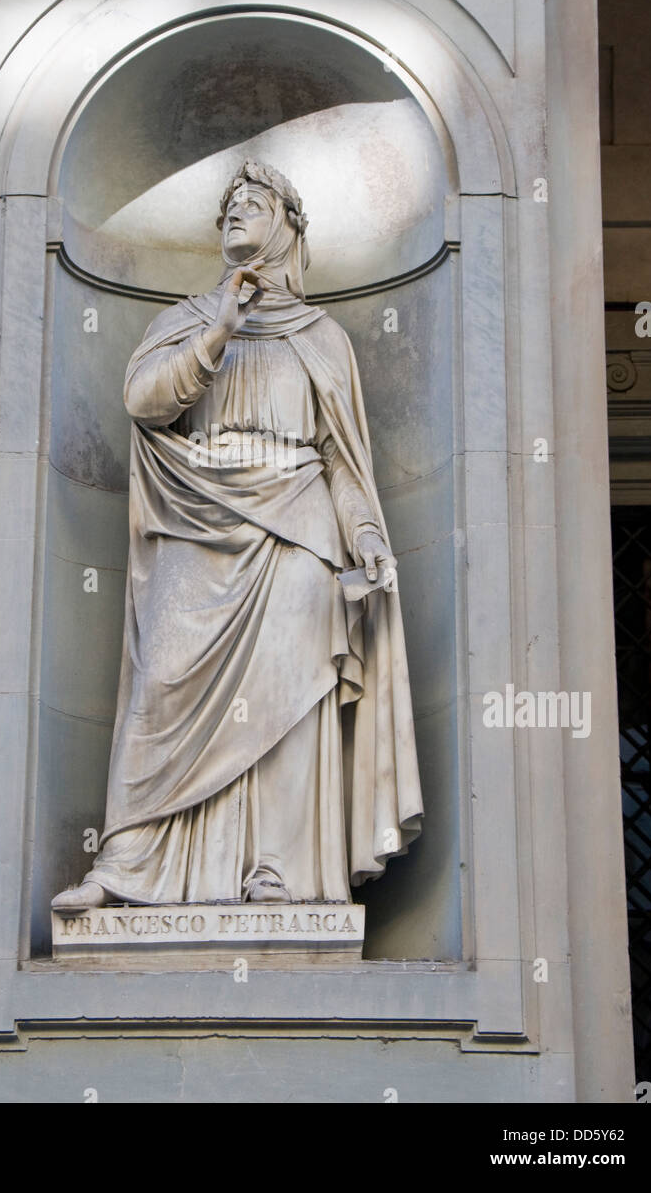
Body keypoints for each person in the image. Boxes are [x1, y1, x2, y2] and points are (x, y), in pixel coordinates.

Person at [52, 159, 422, 909]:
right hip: (195, 522)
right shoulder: (184, 321)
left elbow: (342, 461)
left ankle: (276, 868)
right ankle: (131, 864)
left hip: (298, 532)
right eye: (228, 206)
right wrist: (218, 329)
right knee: (162, 677)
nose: (236, 214)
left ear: (289, 223)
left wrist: (368, 536)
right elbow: (144, 401)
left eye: (253, 202)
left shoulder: (323, 339)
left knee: (291, 692)